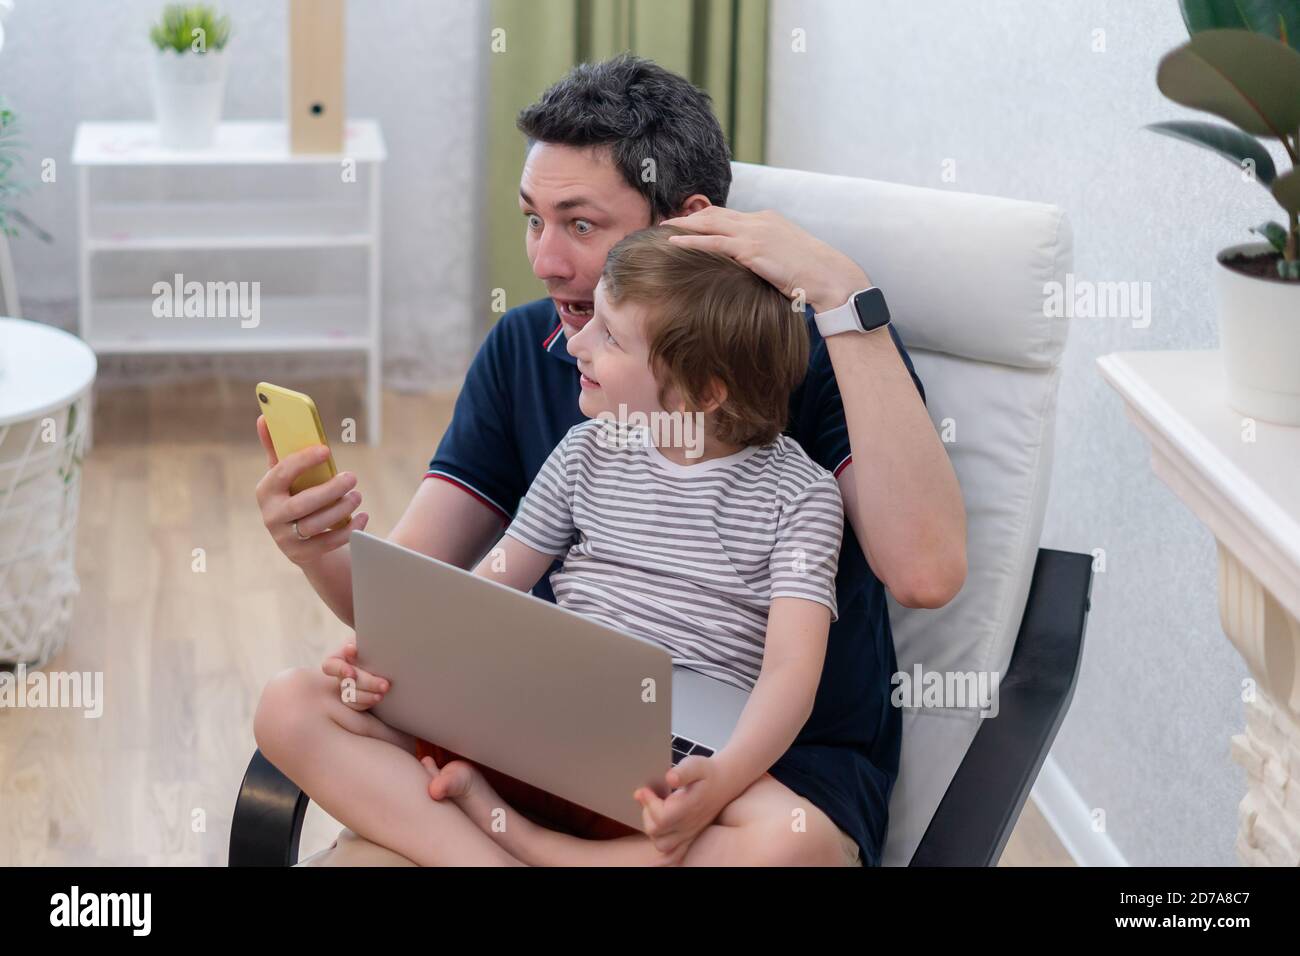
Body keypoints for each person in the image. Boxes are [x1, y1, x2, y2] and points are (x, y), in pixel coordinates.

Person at [252, 53, 966, 867]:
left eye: (580, 225)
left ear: (685, 223)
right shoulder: (533, 350)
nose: (545, 261)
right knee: (296, 704)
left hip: (759, 765)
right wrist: (320, 551)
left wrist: (843, 290)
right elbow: (423, 595)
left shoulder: (823, 356)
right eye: (533, 219)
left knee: (781, 850)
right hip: (545, 726)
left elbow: (927, 573)